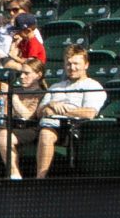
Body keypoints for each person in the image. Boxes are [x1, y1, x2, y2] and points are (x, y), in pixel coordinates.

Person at [21, 45, 107, 179]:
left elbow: (90, 113)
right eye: (68, 64)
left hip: (75, 129)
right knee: (45, 133)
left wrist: (63, 111)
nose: (72, 68)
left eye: (76, 64)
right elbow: (40, 111)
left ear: (86, 65)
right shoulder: (56, 87)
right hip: (50, 127)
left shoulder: (93, 86)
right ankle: (40, 177)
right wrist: (50, 105)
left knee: (46, 131)